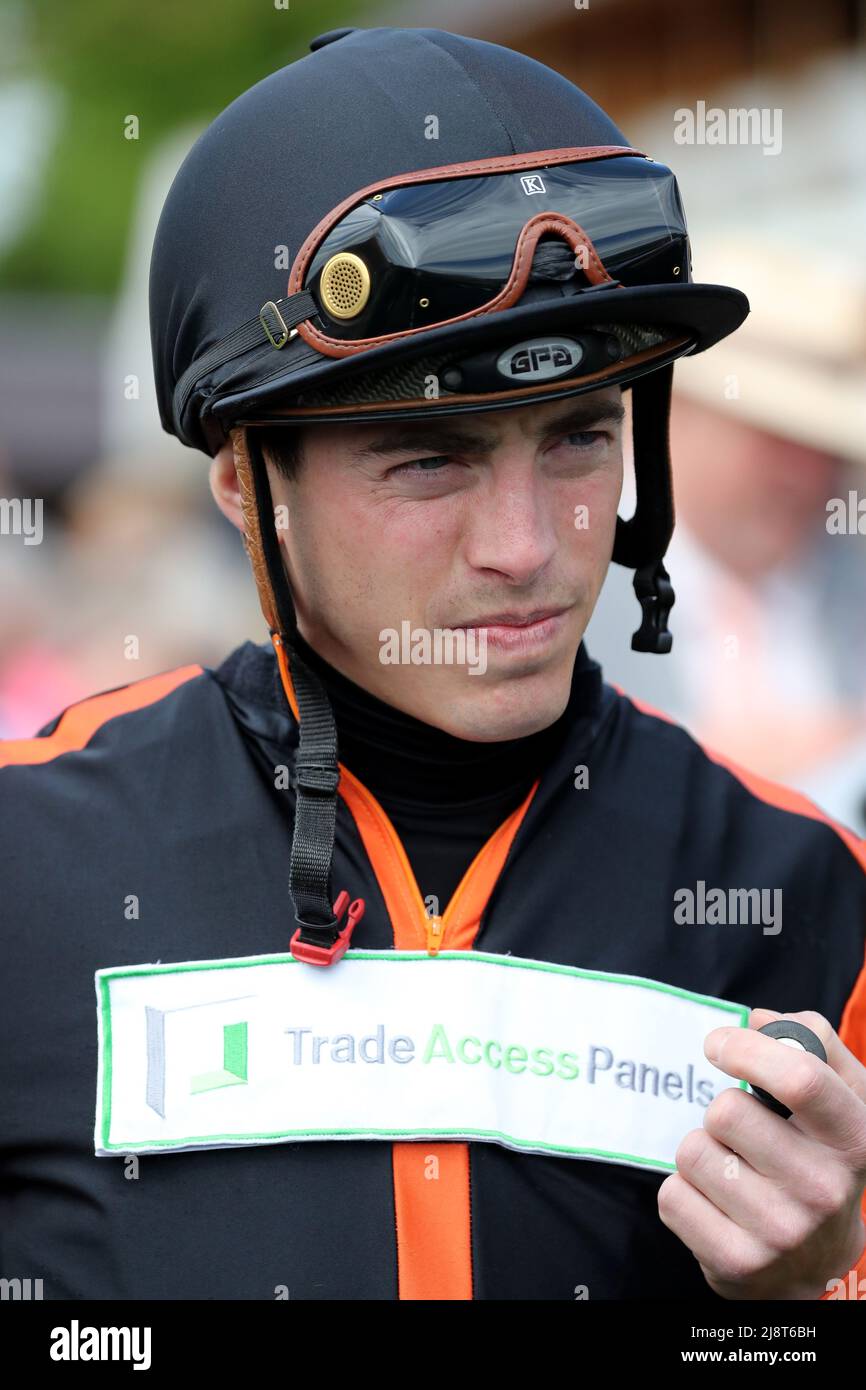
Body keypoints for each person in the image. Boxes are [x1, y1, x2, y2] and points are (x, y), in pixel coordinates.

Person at [2, 26, 865, 1303]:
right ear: (245, 481)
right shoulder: (29, 856)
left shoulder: (799, 887)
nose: (525, 549)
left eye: (577, 437)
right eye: (427, 458)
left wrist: (815, 1294)